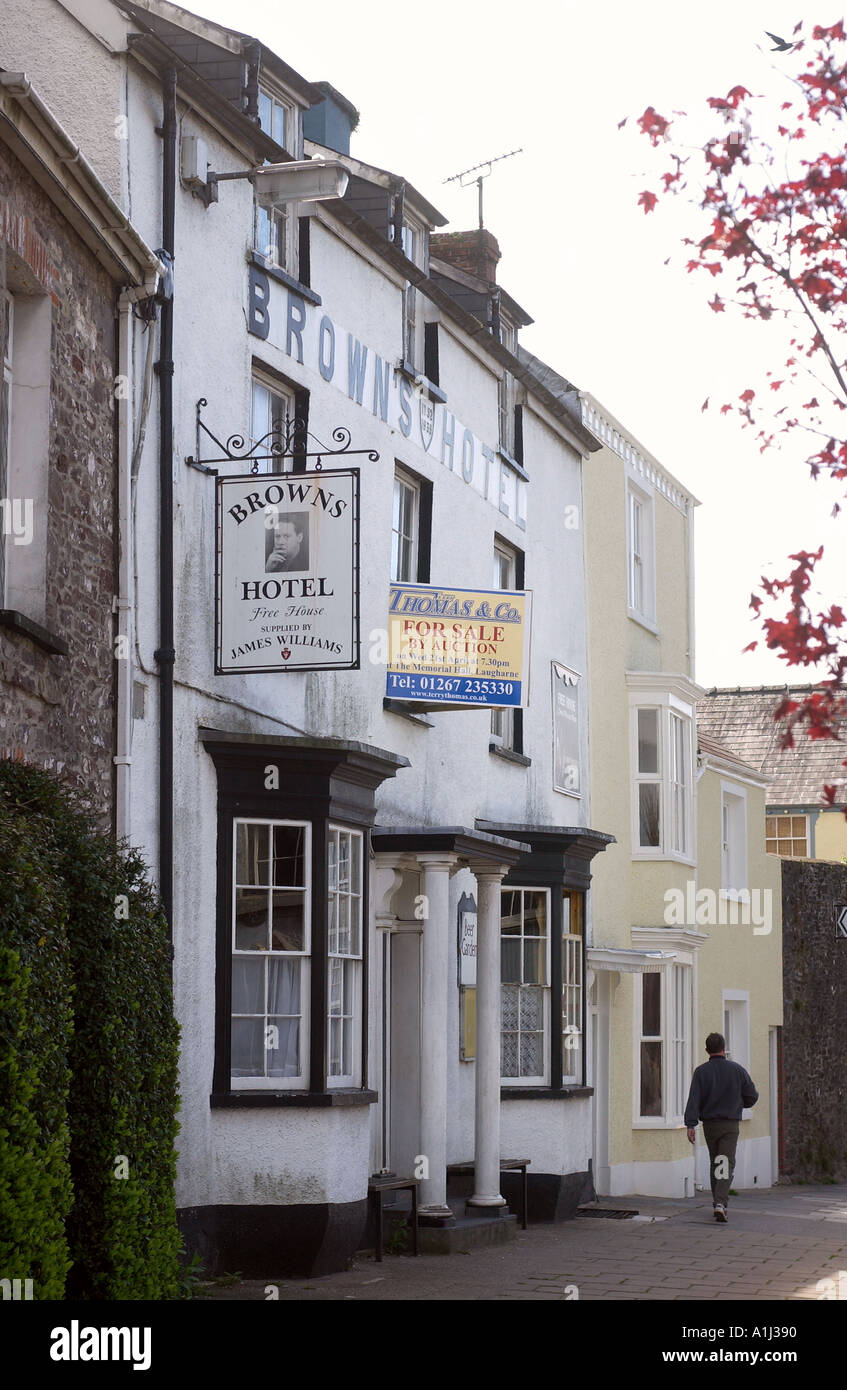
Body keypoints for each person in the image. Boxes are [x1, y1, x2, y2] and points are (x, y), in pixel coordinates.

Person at [684, 1031, 758, 1222]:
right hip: (730, 1124)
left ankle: (717, 1201)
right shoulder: (737, 1070)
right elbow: (752, 1096)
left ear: (707, 1049)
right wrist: (740, 1103)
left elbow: (694, 1099)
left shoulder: (701, 1072)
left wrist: (690, 1124)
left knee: (716, 1161)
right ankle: (720, 1203)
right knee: (725, 1162)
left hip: (709, 1124)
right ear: (724, 1048)